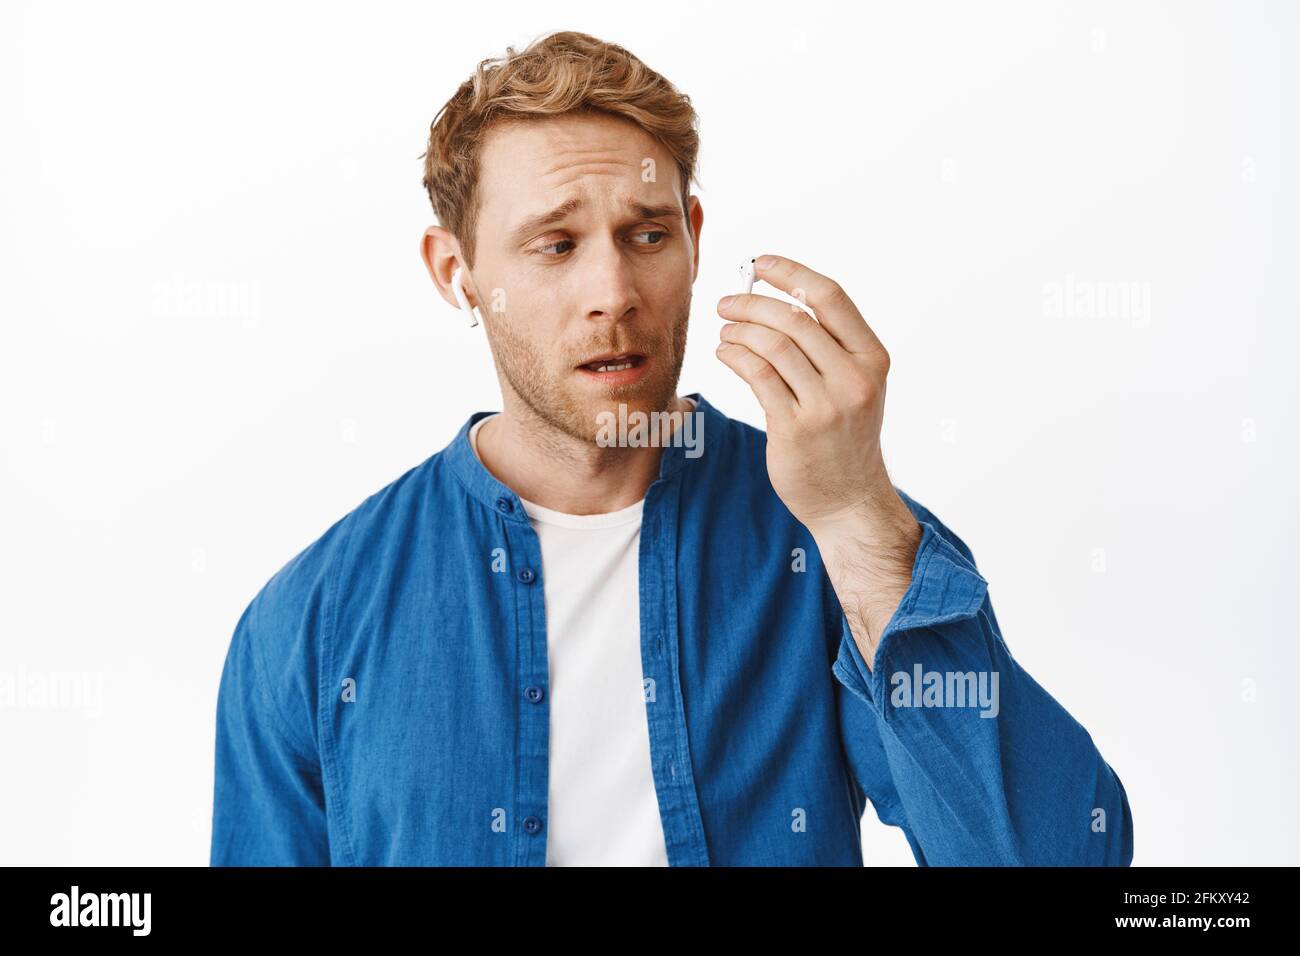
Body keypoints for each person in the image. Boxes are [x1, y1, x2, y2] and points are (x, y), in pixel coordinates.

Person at [210, 30, 1133, 866]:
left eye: (645, 235)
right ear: (458, 273)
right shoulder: (311, 624)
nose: (613, 291)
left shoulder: (821, 541)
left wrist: (857, 518)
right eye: (555, 245)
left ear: (692, 241)